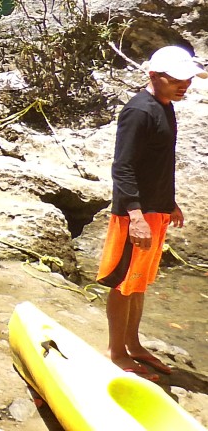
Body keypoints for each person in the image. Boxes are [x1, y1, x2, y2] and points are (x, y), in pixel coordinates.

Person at [98, 44, 205, 379]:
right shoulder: (139, 111)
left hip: (155, 210)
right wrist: (136, 216)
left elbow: (158, 163)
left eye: (187, 79)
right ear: (154, 76)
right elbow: (123, 167)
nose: (184, 85)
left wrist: (168, 201)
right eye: (176, 80)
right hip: (136, 216)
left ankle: (133, 343)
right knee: (123, 283)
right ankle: (116, 353)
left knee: (140, 282)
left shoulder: (165, 106)